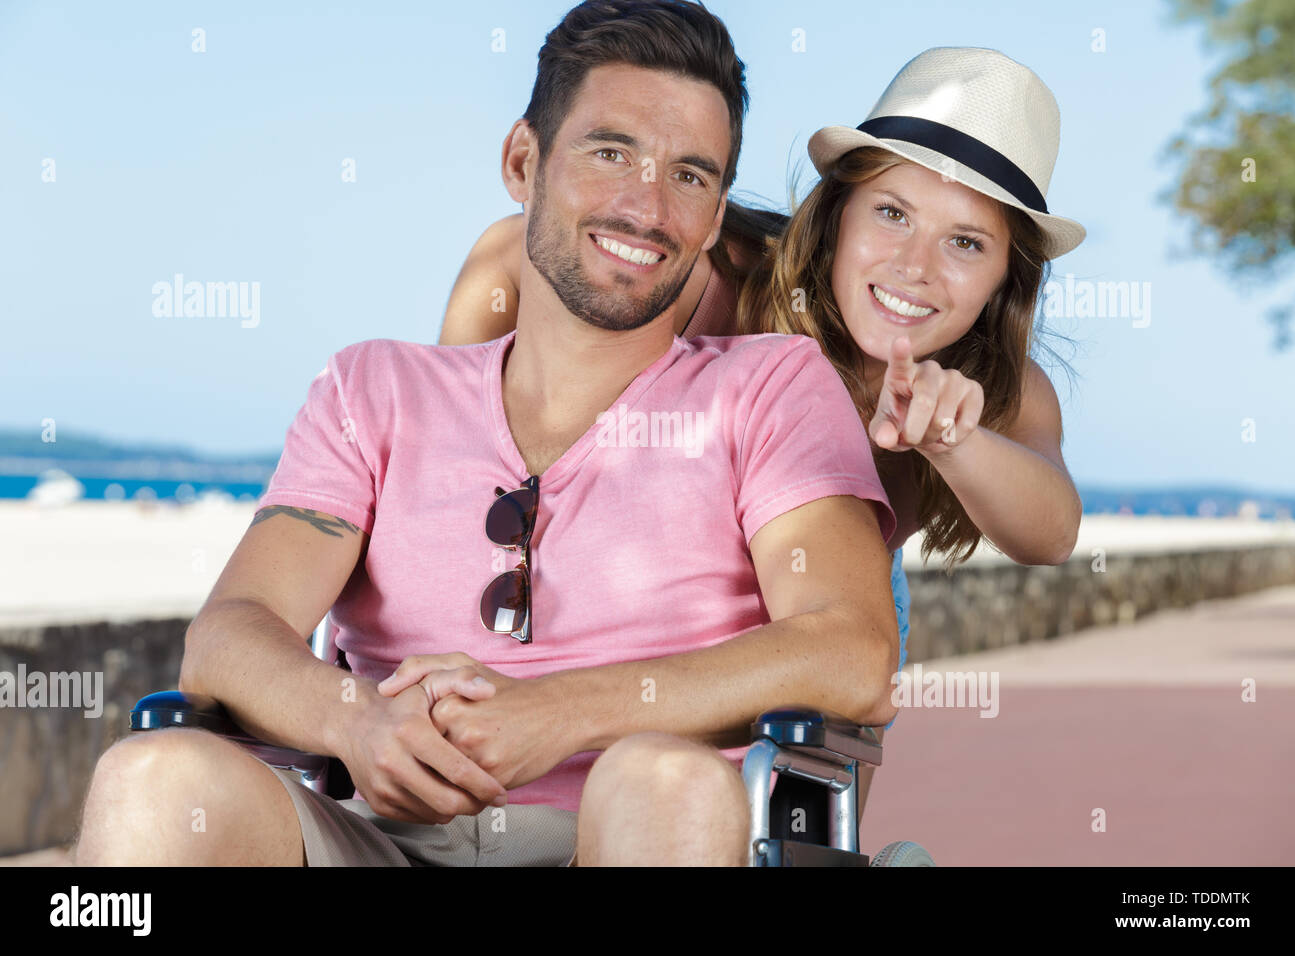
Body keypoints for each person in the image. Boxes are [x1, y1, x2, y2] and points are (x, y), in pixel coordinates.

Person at [73, 0, 900, 868]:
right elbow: (228, 635)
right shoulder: (374, 388)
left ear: (716, 209)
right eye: (610, 151)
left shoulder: (771, 388)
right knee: (154, 778)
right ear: (522, 160)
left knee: (667, 780)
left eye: (690, 176)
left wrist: (560, 713)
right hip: (388, 837)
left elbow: (851, 652)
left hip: (627, 832)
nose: (647, 206)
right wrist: (357, 721)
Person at [440, 45, 1088, 814]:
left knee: (800, 827)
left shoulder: (996, 385)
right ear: (837, 212)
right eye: (891, 213)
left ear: (1005, 279)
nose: (916, 266)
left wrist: (954, 441)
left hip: (830, 607)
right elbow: (509, 263)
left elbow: (1049, 531)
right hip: (656, 561)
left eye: (966, 243)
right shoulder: (730, 280)